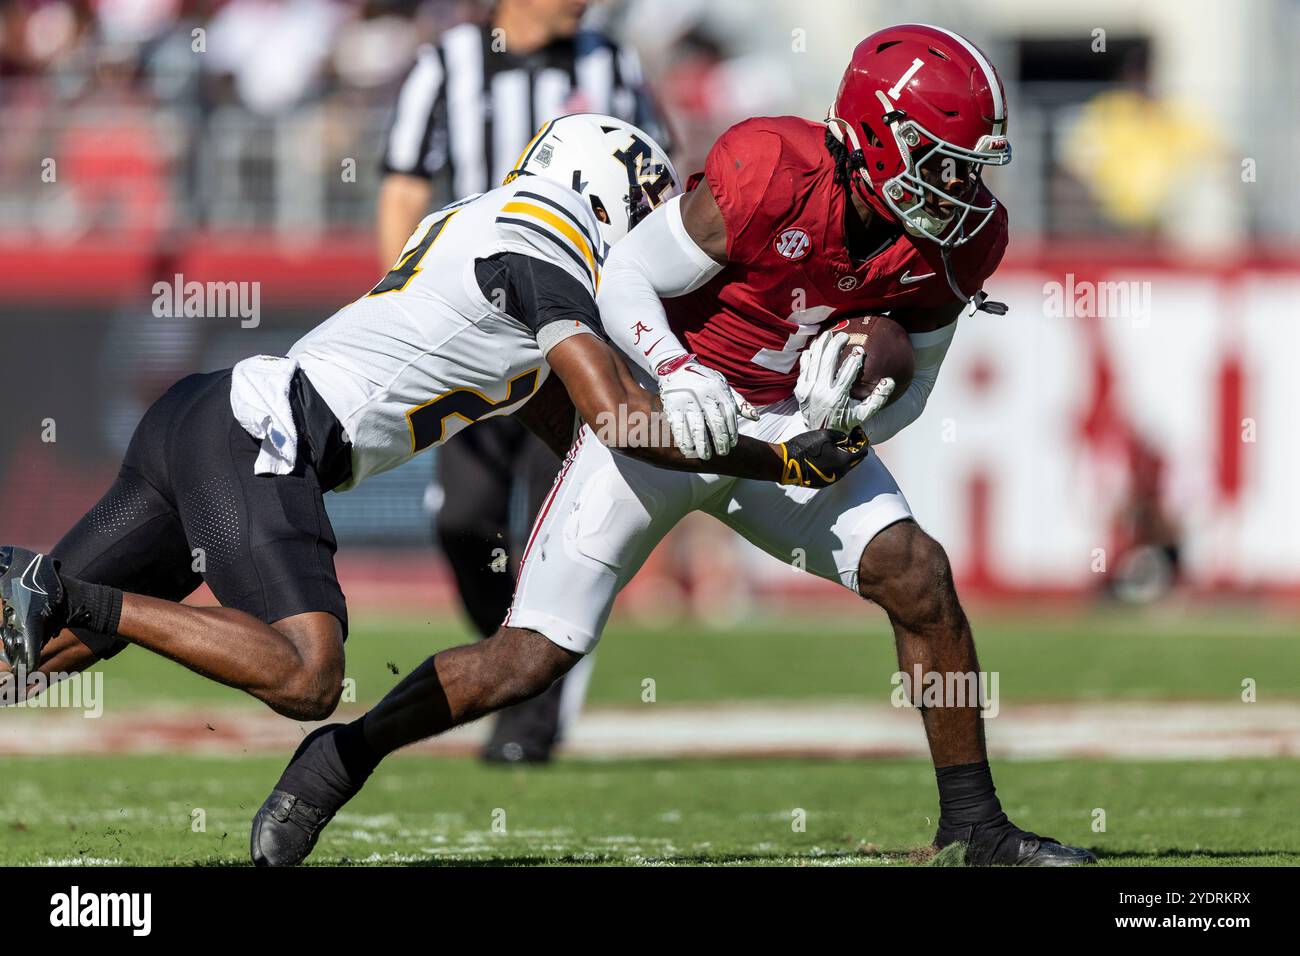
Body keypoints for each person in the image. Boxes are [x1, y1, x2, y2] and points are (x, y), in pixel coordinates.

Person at [248, 25, 1095, 867]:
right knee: (528, 658)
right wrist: (676, 369)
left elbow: (911, 392)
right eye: (939, 157)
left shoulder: (963, 240)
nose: (960, 184)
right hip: (667, 408)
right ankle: (341, 756)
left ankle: (975, 825)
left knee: (918, 573)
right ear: (874, 133)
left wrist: (846, 421)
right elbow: (624, 277)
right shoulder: (772, 169)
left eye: (969, 162)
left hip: (779, 426)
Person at [0, 115, 863, 727]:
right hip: (259, 434)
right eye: (643, 216)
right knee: (306, 675)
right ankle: (57, 585)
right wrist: (781, 458)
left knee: (24, 656)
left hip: (207, 413)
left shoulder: (488, 229)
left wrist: (727, 478)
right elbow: (622, 422)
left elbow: (591, 446)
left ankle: (46, 592)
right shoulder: (544, 248)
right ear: (607, 197)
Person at [377, 0, 673, 763]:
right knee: (462, 520)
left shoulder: (614, 63)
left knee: (559, 525)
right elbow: (404, 189)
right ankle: (515, 666)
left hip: (583, 330)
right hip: (478, 325)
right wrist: (406, 301)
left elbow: (660, 193)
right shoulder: (447, 62)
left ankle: (529, 717)